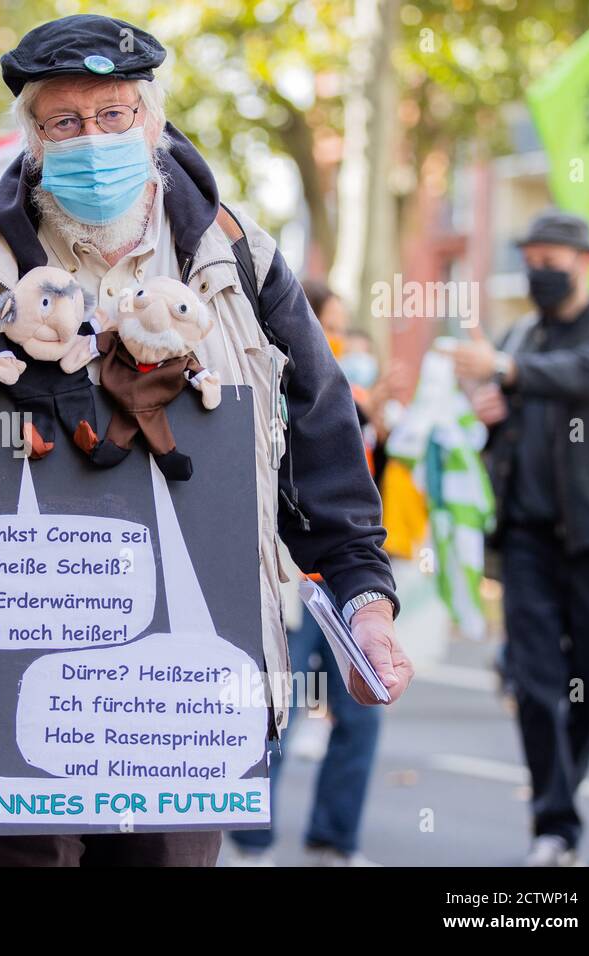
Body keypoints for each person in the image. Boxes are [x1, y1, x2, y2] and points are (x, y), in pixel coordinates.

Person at [0, 14, 413, 868]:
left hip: (185, 706)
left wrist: (364, 603)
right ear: (34, 138)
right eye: (66, 121)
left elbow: (325, 452)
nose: (94, 139)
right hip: (1, 692)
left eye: (115, 115)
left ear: (153, 123)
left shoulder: (245, 267)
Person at [453, 209, 589, 867]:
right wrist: (490, 412)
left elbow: (585, 375)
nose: (539, 272)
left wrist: (507, 373)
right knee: (536, 683)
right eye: (531, 260)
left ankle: (558, 801)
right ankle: (554, 827)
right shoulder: (520, 336)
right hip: (527, 539)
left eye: (552, 261)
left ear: (585, 263)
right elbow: (501, 425)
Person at [226, 281, 384, 867]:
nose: (341, 339)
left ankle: (334, 842)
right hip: (292, 585)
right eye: (332, 325)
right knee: (276, 717)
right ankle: (251, 843)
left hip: (347, 581)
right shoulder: (278, 388)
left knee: (360, 717)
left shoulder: (352, 404)